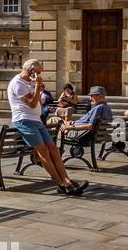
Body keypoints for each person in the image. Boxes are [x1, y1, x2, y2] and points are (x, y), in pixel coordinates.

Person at [8, 59, 87, 195]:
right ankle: (62, 184)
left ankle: (67, 179)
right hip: (24, 120)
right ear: (30, 69)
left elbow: (36, 102)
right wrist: (38, 86)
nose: (39, 76)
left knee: (54, 149)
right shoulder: (17, 83)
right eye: (37, 73)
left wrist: (36, 85)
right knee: (43, 151)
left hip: (36, 120)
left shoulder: (29, 82)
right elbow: (32, 104)